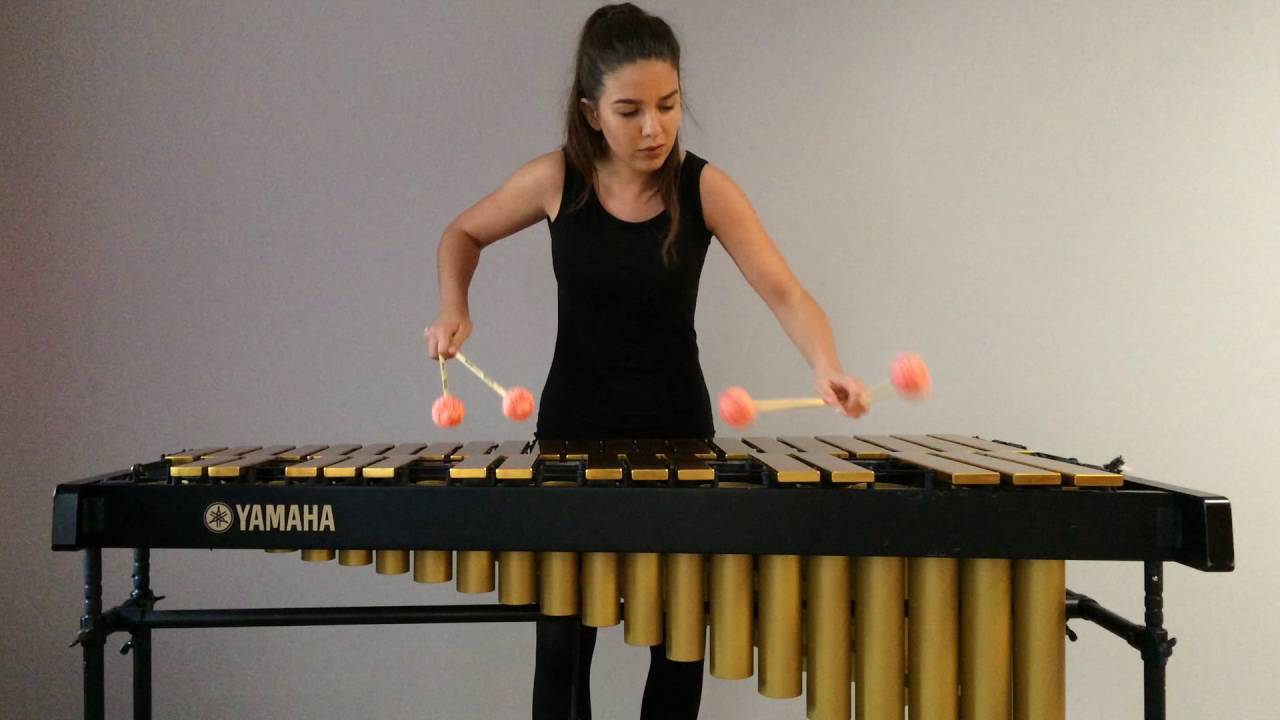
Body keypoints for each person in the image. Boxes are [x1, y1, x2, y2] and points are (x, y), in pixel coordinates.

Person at [424, 4, 868, 718]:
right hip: (571, 441)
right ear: (591, 112)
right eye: (629, 111)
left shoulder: (705, 189)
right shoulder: (554, 181)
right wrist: (455, 308)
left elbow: (785, 291)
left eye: (667, 106)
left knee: (678, 651)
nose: (653, 128)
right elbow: (461, 235)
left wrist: (827, 363)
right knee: (563, 652)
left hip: (679, 445)